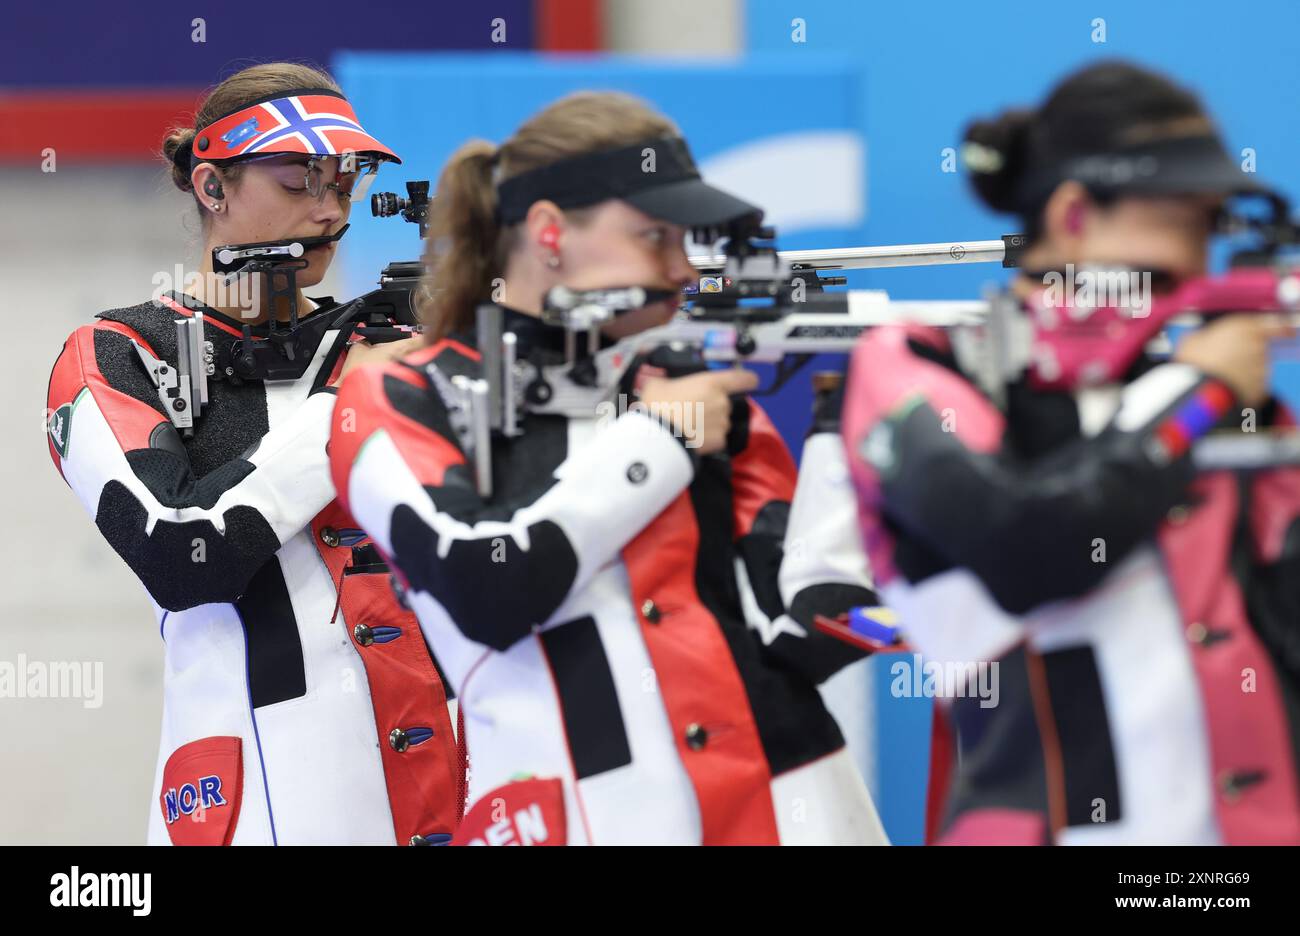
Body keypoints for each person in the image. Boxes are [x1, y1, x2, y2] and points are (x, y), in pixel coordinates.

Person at [329, 91, 889, 845]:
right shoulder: (399, 396)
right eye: (654, 236)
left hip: (796, 805)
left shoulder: (692, 387)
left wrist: (851, 441)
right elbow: (488, 586)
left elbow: (808, 633)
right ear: (550, 232)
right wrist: (659, 437)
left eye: (686, 240)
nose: (683, 266)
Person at [841, 60, 1300, 845]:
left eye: (1211, 223)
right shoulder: (919, 364)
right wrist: (1193, 394)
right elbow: (1026, 551)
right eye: (1180, 218)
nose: (1200, 259)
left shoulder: (1188, 390)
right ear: (1075, 215)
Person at [45, 63, 464, 845]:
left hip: (449, 774)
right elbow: (180, 555)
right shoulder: (118, 351)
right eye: (299, 178)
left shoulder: (387, 346)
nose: (327, 206)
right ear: (212, 188)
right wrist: (348, 407)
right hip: (260, 790)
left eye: (343, 181)